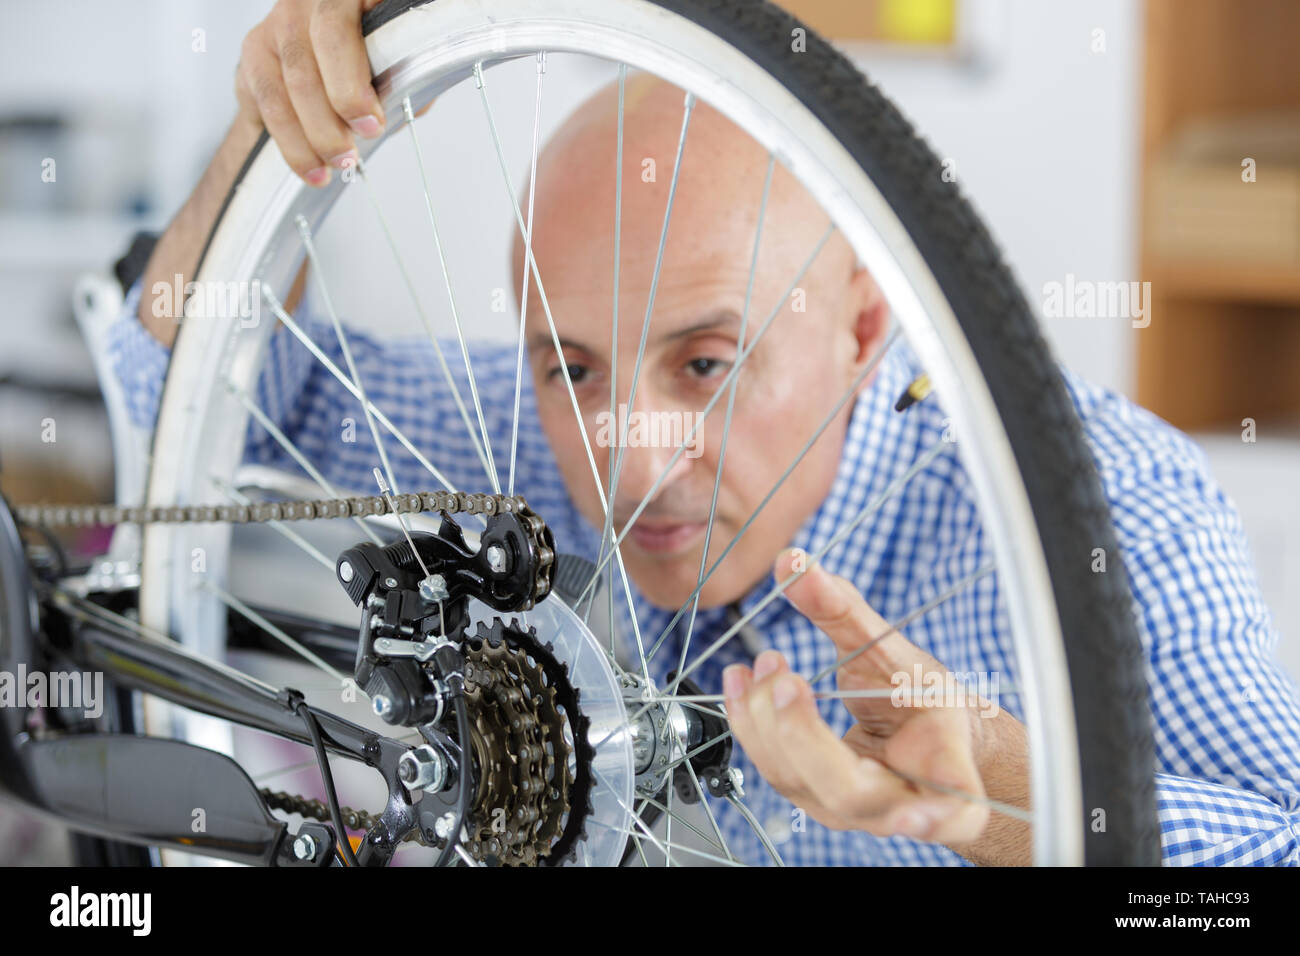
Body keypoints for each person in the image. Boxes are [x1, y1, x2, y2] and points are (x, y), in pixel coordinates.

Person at [107, 0, 1300, 866]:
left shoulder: (1110, 511)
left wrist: (996, 790)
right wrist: (267, 135)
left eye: (708, 361)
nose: (631, 463)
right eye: (569, 364)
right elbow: (190, 394)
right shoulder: (533, 449)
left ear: (863, 326)